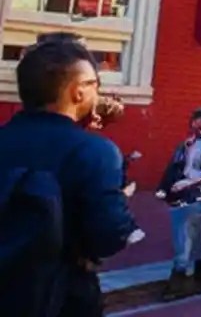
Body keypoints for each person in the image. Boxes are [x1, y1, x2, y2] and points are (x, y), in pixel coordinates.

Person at [0, 38, 140, 317]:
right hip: (59, 296)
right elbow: (108, 237)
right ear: (78, 92)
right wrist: (120, 201)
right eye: (95, 85)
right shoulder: (95, 152)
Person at [157, 108, 201, 300]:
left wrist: (188, 182)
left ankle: (179, 276)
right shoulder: (190, 143)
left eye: (199, 121)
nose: (195, 125)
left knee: (184, 231)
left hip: (199, 194)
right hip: (188, 192)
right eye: (194, 120)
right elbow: (179, 166)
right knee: (197, 231)